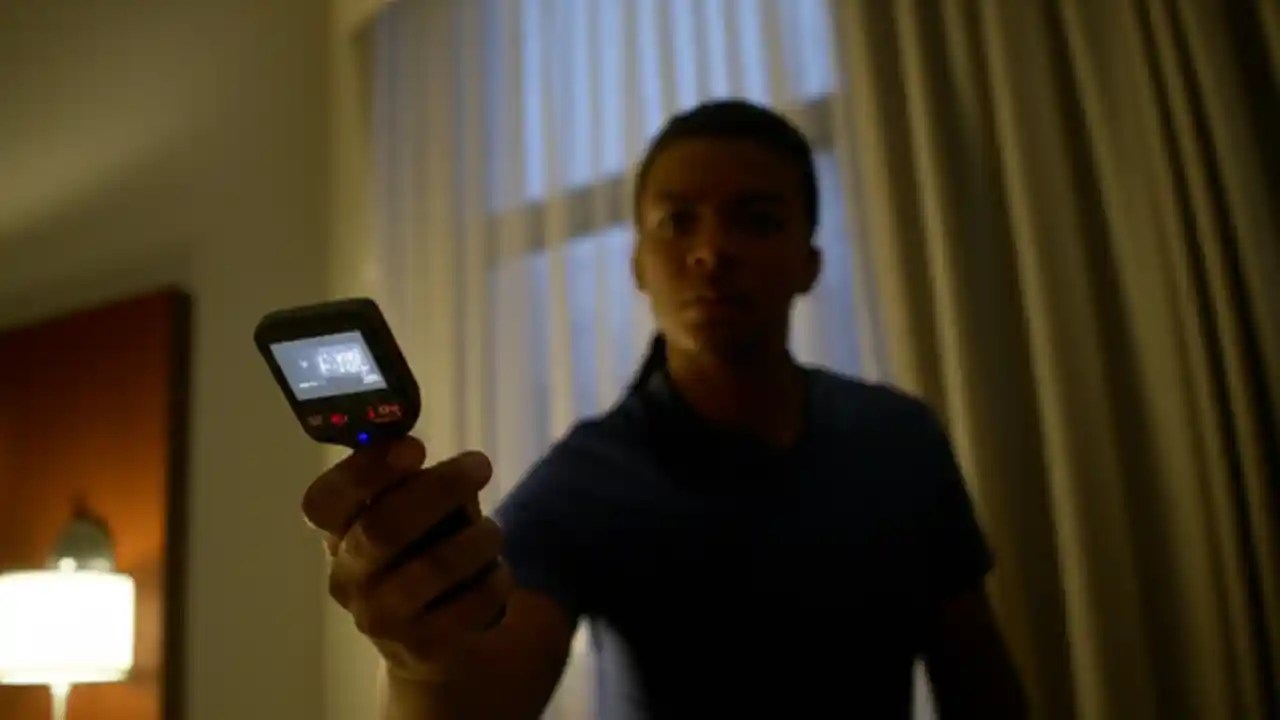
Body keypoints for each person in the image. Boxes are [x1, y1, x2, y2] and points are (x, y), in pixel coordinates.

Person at [304, 99, 1029, 719]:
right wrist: (419, 659)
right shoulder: (588, 478)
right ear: (637, 265)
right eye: (677, 222)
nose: (711, 251)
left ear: (809, 261)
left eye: (757, 218)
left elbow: (978, 674)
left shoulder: (899, 437)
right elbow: (486, 687)